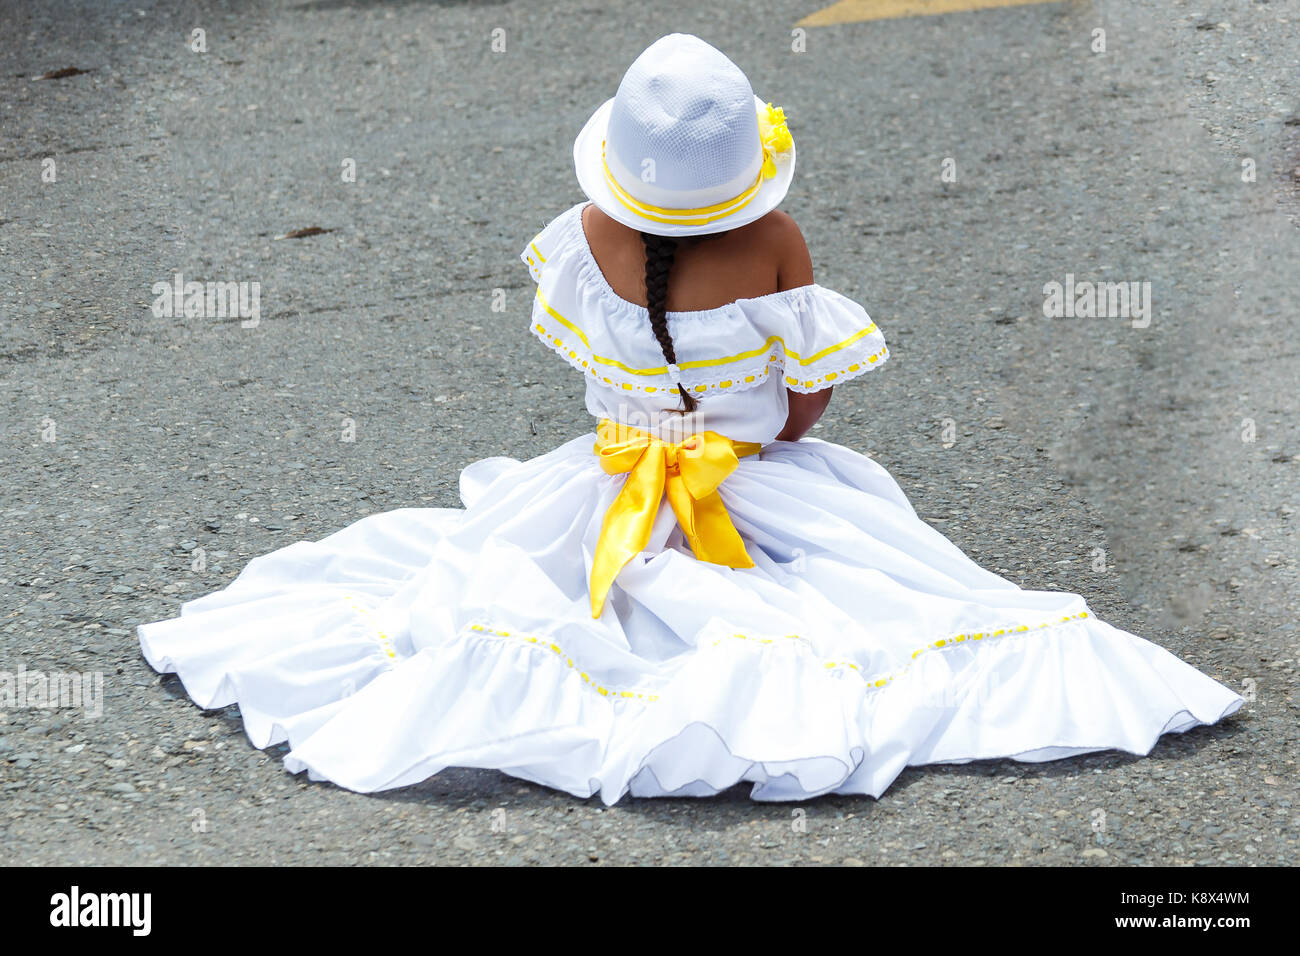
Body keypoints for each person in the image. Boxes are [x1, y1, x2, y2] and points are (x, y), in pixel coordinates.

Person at [138, 33, 1242, 804]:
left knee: (463, 579)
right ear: (742, 170)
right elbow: (805, 399)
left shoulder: (583, 233)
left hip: (606, 477)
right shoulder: (777, 243)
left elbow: (578, 350)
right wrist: (785, 437)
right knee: (883, 604)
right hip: (746, 469)